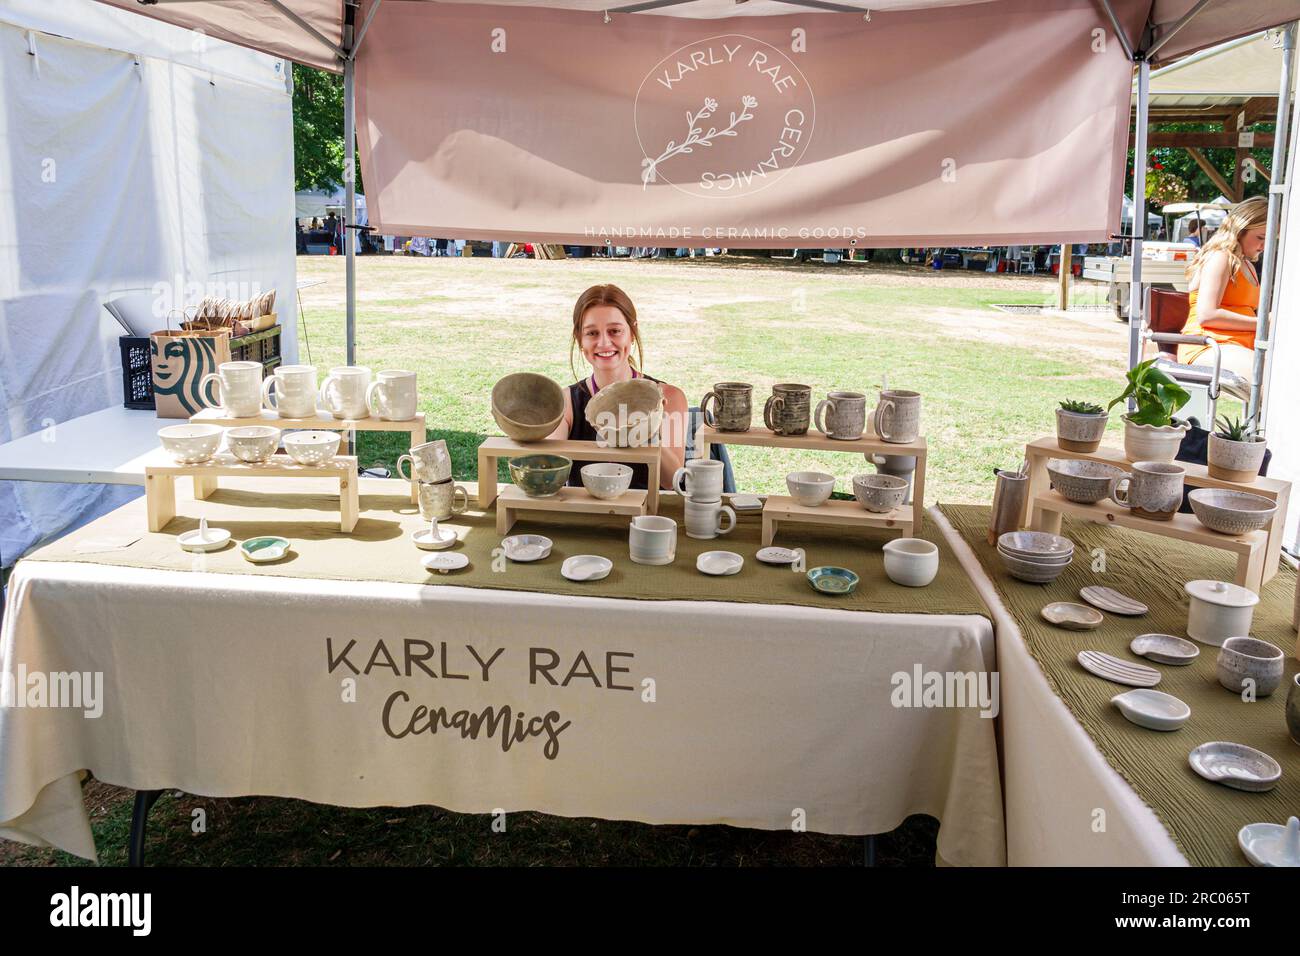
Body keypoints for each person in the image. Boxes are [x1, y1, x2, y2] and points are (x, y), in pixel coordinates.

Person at [546, 284, 688, 489]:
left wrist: (649, 432)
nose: (604, 343)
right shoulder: (565, 402)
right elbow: (550, 475)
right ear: (580, 339)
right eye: (592, 333)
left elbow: (673, 481)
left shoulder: (671, 397)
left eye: (614, 331)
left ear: (632, 332)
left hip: (647, 519)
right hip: (585, 517)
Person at [1177, 196, 1268, 379]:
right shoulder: (1221, 257)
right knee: (1271, 377)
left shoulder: (1247, 265)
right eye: (1260, 237)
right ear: (1240, 230)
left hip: (1237, 346)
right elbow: (1207, 315)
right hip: (1208, 345)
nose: (1264, 246)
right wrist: (1265, 323)